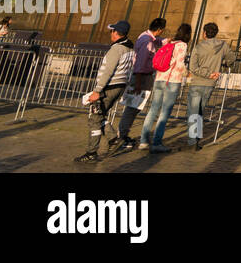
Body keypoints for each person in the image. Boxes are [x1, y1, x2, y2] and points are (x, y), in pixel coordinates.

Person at [74, 20, 134, 163]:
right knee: (100, 115)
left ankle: (91, 152)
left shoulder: (116, 49)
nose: (110, 33)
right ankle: (113, 139)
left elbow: (108, 70)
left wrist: (97, 90)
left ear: (116, 33)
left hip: (108, 87)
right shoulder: (130, 49)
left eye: (111, 31)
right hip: (119, 86)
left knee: (94, 118)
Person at [110, 16, 166, 153]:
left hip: (140, 76)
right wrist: (138, 83)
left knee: (133, 107)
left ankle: (122, 134)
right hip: (141, 77)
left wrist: (166, 41)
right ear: (159, 30)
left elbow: (157, 41)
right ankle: (121, 136)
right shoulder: (147, 42)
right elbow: (140, 64)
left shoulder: (145, 36)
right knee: (132, 108)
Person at [141, 22, 190, 153]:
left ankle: (144, 141)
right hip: (172, 81)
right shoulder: (182, 45)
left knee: (153, 110)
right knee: (164, 113)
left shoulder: (169, 43)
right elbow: (180, 64)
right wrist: (188, 74)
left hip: (159, 79)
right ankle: (157, 143)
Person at [187, 21, 236, 151]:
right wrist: (224, 63)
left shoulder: (198, 47)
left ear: (204, 33)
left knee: (193, 112)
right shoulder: (223, 45)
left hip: (198, 81)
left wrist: (207, 73)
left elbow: (192, 67)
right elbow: (232, 58)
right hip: (210, 83)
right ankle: (196, 139)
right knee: (200, 111)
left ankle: (193, 141)